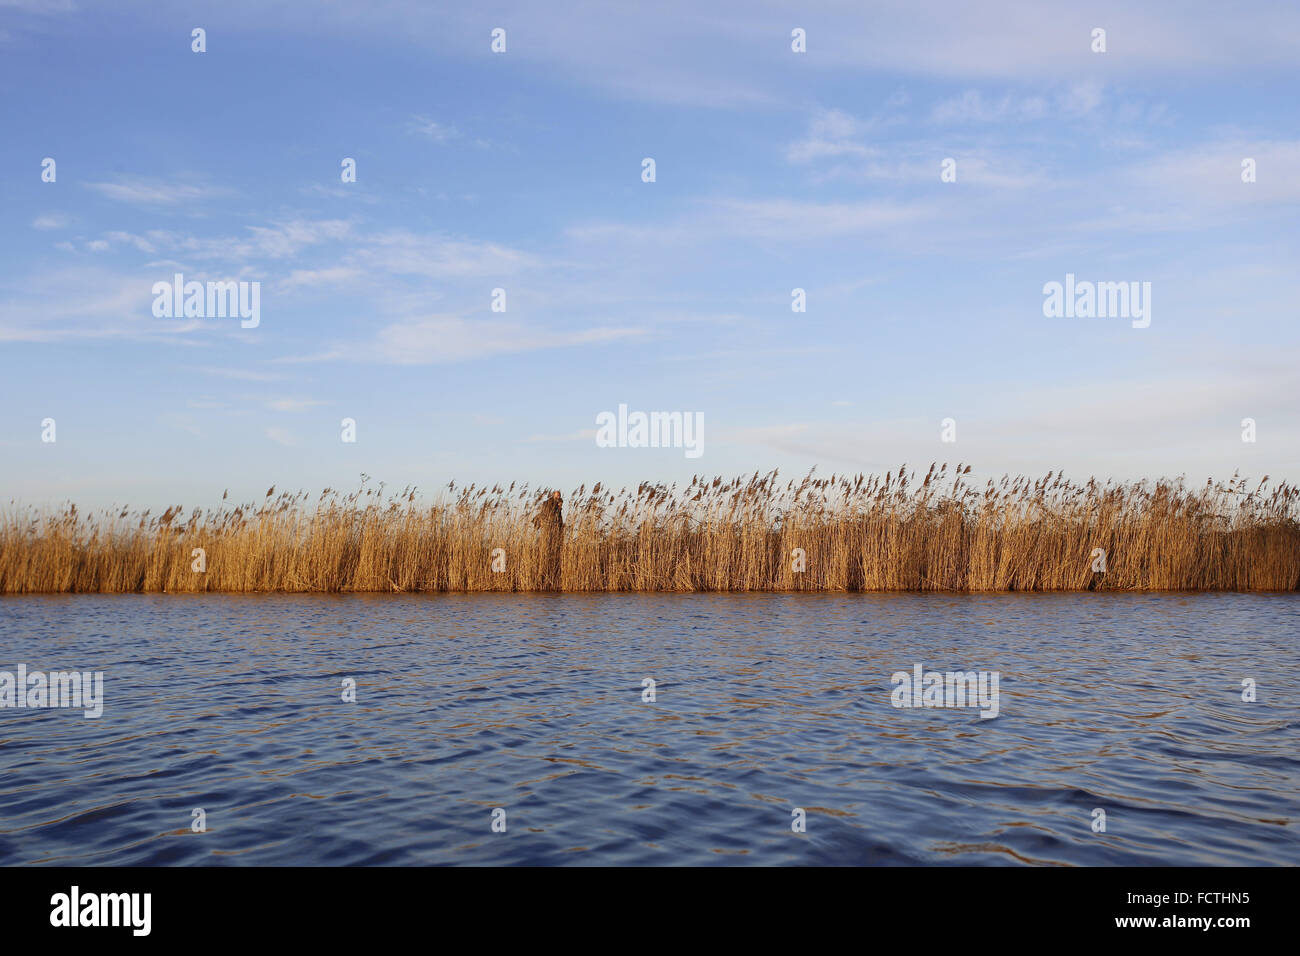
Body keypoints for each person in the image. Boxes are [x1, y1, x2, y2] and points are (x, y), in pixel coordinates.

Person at [532, 490, 564, 590]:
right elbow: (548, 515)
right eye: (557, 495)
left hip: (556, 529)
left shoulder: (558, 504)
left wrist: (560, 526)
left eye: (559, 495)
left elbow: (558, 517)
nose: (558, 497)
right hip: (549, 529)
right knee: (547, 546)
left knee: (555, 547)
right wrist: (558, 508)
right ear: (553, 496)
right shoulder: (548, 503)